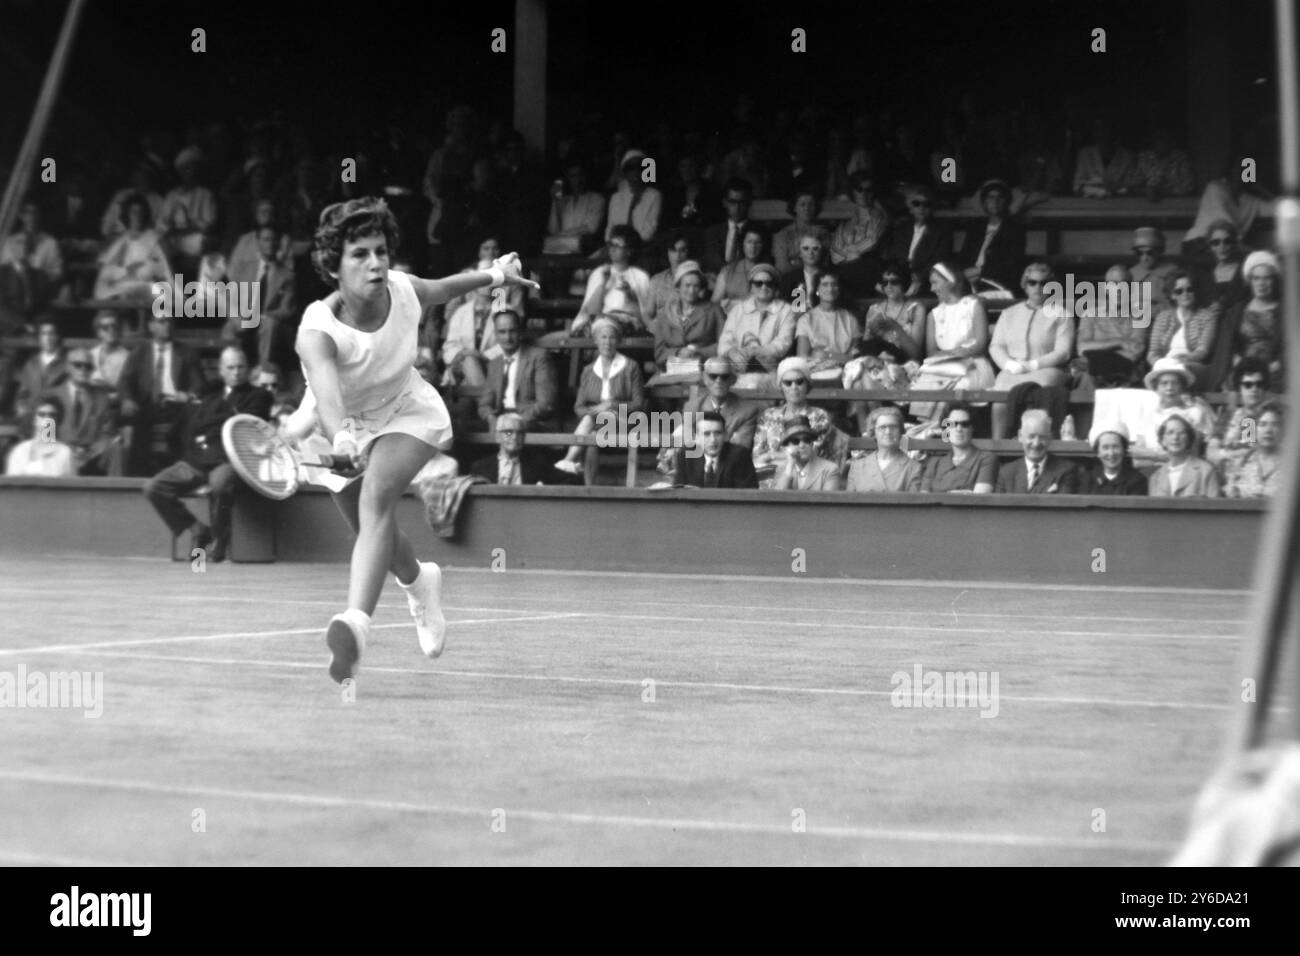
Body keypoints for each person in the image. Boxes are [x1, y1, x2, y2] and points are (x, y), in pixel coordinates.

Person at [290, 197, 537, 682]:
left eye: (381, 250)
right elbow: (326, 392)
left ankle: (355, 626)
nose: (376, 263)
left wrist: (497, 276)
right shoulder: (316, 332)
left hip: (409, 410)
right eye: (359, 254)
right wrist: (340, 439)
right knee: (372, 532)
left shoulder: (402, 289)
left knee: (377, 499)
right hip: (346, 424)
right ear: (333, 265)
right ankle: (420, 582)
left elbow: (446, 287)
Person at [142, 348, 271, 562]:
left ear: (248, 369)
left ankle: (220, 539)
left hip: (230, 459)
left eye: (240, 367)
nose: (236, 372)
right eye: (230, 368)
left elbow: (245, 427)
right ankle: (198, 529)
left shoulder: (259, 396)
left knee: (219, 484)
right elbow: (189, 426)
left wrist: (212, 420)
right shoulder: (208, 393)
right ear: (221, 370)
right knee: (153, 488)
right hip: (197, 459)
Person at [988, 262, 1075, 438]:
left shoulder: (1062, 314)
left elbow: (1063, 351)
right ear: (1025, 285)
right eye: (1032, 282)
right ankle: (998, 446)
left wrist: (1032, 365)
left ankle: (1038, 439)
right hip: (1012, 370)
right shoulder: (1008, 313)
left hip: (1047, 370)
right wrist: (1008, 364)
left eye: (1043, 283)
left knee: (1041, 395)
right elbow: (996, 345)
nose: (1038, 287)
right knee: (1000, 397)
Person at [117, 312, 207, 475]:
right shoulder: (140, 351)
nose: (167, 325)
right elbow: (125, 381)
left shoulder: (186, 352)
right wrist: (127, 399)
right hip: (147, 406)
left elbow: (199, 384)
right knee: (138, 427)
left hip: (177, 406)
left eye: (169, 321)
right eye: (161, 321)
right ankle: (138, 478)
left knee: (188, 422)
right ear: (151, 326)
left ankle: (183, 474)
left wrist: (188, 395)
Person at [554, 317, 645, 476]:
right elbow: (578, 407)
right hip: (595, 422)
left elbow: (638, 404)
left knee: (592, 424)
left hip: (624, 420)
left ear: (618, 341)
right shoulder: (588, 370)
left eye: (612, 337)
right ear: (596, 341)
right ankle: (587, 488)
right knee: (593, 435)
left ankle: (568, 459)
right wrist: (597, 413)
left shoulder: (631, 366)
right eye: (603, 337)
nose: (607, 342)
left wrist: (611, 405)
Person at [909, 262, 995, 425]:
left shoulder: (973, 305)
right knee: (925, 387)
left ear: (951, 281)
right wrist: (951, 355)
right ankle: (930, 436)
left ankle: (947, 437)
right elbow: (932, 352)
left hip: (972, 365)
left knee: (954, 393)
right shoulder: (933, 314)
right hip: (943, 366)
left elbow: (980, 343)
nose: (932, 288)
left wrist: (959, 354)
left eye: (935, 283)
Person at [751, 356, 849, 486]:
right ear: (781, 386)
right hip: (769, 481)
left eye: (799, 382)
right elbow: (758, 457)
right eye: (788, 383)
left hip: (806, 480)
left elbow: (807, 454)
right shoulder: (768, 415)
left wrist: (772, 457)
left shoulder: (819, 415)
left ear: (807, 384)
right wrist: (784, 459)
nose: (794, 387)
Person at [46, 347, 123, 476]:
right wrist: (68, 451)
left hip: (90, 456)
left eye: (88, 366)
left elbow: (107, 433)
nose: (83, 370)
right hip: (60, 455)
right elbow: (46, 436)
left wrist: (89, 452)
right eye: (78, 365)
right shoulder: (51, 396)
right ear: (68, 367)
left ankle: (116, 494)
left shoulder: (101, 396)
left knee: (115, 448)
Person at [716, 263, 796, 384]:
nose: (764, 287)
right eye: (758, 283)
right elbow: (725, 341)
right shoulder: (738, 309)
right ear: (751, 287)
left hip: (770, 371)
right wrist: (731, 352)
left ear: (775, 288)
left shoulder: (787, 310)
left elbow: (783, 343)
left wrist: (755, 351)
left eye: (769, 284)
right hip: (738, 370)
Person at [1076, 265, 1150, 387]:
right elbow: (1082, 348)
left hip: (1126, 371)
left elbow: (1135, 351)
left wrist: (1097, 352)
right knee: (1086, 377)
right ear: (1106, 288)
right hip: (1094, 372)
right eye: (1114, 284)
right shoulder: (1090, 314)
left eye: (1124, 284)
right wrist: (1120, 342)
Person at [570, 226, 652, 335]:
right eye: (611, 244)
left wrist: (630, 295)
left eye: (617, 245)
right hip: (601, 321)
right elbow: (591, 312)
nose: (612, 249)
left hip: (629, 324)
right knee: (600, 326)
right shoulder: (599, 273)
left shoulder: (641, 276)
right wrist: (604, 283)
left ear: (629, 251)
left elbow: (645, 315)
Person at [1147, 271, 1219, 390]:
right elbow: (1153, 352)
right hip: (1164, 365)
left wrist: (1181, 361)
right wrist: (1161, 363)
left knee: (1181, 370)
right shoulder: (1163, 317)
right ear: (1172, 295)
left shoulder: (1207, 316)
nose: (1185, 294)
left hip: (1194, 366)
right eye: (1179, 291)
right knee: (1163, 373)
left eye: (1189, 289)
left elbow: (1202, 351)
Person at [649, 260, 724, 373]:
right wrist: (678, 352)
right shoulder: (664, 314)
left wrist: (698, 352)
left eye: (696, 286)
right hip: (672, 372)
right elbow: (659, 353)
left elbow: (724, 345)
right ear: (678, 287)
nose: (691, 291)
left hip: (706, 371)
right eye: (687, 285)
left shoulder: (714, 311)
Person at [1221, 250, 1283, 385]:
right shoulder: (1236, 311)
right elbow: (1229, 346)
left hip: (1277, 369)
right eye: (1256, 278)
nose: (1262, 283)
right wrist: (1239, 364)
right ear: (1249, 281)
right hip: (1244, 368)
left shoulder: (1286, 311)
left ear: (1274, 280)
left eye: (1267, 278)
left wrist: (1274, 367)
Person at [94, 194, 173, 300]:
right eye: (133, 212)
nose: (137, 216)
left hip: (148, 286)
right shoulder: (121, 241)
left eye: (140, 212)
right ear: (127, 215)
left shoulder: (154, 238)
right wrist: (126, 270)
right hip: (124, 286)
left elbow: (165, 270)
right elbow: (107, 268)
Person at [827, 172, 889, 297]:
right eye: (859, 189)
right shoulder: (846, 221)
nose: (864, 194)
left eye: (869, 190)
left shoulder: (880, 218)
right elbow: (835, 254)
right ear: (853, 192)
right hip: (844, 272)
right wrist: (854, 253)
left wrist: (851, 252)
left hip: (870, 271)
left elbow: (873, 242)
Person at [470, 412, 571, 485]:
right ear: (497, 437)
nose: (515, 437)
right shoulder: (480, 467)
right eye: (509, 432)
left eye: (519, 433)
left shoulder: (536, 465)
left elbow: (570, 480)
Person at [960, 179, 1025, 289]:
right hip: (969, 279)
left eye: (1000, 197)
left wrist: (980, 271)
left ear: (1006, 201)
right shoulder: (976, 227)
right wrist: (963, 273)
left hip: (996, 281)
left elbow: (1011, 264)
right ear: (984, 202)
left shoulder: (1014, 229)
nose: (995, 202)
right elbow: (964, 256)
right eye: (991, 197)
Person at [795, 271, 861, 380]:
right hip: (815, 374)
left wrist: (824, 356)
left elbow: (855, 358)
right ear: (817, 290)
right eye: (825, 285)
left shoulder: (851, 319)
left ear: (839, 289)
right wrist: (839, 358)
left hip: (846, 373)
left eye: (834, 284)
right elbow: (802, 358)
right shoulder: (806, 320)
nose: (830, 289)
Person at [1209, 359, 1275, 467]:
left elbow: (1247, 454)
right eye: (1248, 384)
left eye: (1259, 384)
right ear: (1240, 388)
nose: (1254, 389)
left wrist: (1224, 454)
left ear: (1264, 387)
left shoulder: (1271, 418)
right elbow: (1211, 452)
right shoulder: (1228, 415)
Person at [889, 184, 953, 294]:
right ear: (910, 208)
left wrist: (919, 278)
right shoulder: (902, 229)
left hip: (926, 279)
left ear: (932, 208)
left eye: (926, 204)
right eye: (916, 204)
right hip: (902, 276)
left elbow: (939, 260)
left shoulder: (941, 231)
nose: (921, 208)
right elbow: (895, 256)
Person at [994, 409, 1078, 493]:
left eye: (1042, 437)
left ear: (1050, 438)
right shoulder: (1006, 473)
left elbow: (1062, 505)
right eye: (1031, 436)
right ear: (1020, 436)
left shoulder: (1065, 470)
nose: (1036, 443)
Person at [920, 403, 997, 493]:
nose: (959, 428)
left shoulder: (986, 458)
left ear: (973, 428)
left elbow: (979, 499)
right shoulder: (934, 463)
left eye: (965, 424)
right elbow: (924, 499)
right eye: (952, 424)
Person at [669, 410, 757, 489]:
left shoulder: (739, 456)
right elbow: (678, 491)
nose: (713, 440)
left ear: (725, 435)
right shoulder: (686, 454)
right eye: (706, 434)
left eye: (718, 433)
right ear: (696, 437)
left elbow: (747, 496)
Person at [1145, 356, 1216, 450]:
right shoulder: (1150, 412)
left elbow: (1193, 450)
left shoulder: (1196, 412)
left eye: (1175, 383)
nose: (1169, 388)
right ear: (1156, 388)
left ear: (1182, 386)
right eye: (1164, 383)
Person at [846, 406, 923, 492]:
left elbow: (912, 504)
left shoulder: (914, 468)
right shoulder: (857, 467)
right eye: (882, 427)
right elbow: (849, 502)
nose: (888, 432)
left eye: (894, 427)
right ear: (873, 432)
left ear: (901, 431)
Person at [1221, 401, 1283, 498]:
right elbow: (1229, 496)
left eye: (1275, 425)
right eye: (1262, 424)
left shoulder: (1293, 465)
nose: (1268, 430)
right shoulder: (1241, 461)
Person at [1148, 414, 1220, 497]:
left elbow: (1214, 507)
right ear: (1163, 440)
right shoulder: (1156, 477)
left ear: (1188, 439)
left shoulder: (1206, 471)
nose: (1175, 437)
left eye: (1181, 433)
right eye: (1170, 432)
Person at [544, 161, 606, 255]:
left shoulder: (596, 199)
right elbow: (553, 230)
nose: (578, 180)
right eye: (573, 176)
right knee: (547, 243)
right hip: (561, 248)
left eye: (580, 175)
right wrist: (554, 202)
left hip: (583, 247)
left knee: (577, 242)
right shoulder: (564, 201)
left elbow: (591, 228)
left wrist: (561, 235)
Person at [14, 319, 69, 423]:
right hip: (31, 419)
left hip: (56, 419)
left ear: (58, 336)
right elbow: (22, 393)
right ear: (39, 337)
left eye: (52, 333)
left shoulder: (67, 364)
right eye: (44, 334)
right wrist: (22, 408)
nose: (48, 338)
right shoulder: (31, 364)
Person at [604, 148, 662, 245]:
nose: (635, 172)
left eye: (639, 167)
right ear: (625, 173)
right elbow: (609, 229)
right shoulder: (616, 198)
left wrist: (624, 245)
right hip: (615, 247)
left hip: (641, 248)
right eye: (630, 168)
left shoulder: (654, 195)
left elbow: (648, 233)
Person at [5, 396, 73, 477]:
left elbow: (72, 487)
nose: (47, 418)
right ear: (34, 419)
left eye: (52, 415)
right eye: (42, 414)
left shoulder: (65, 453)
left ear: (58, 419)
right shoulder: (19, 451)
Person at [772, 415, 842, 491]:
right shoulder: (782, 470)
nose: (802, 445)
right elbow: (777, 498)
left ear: (812, 444)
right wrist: (789, 467)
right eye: (796, 441)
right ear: (787, 447)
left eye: (807, 440)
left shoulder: (830, 469)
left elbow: (828, 501)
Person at [701, 177, 754, 274]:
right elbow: (709, 263)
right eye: (732, 202)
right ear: (724, 202)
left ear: (749, 203)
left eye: (742, 202)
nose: (737, 207)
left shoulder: (760, 231)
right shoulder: (711, 233)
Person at [1078, 422, 1148, 495]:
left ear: (1124, 450)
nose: (1111, 453)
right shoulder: (1088, 479)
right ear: (1098, 452)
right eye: (1105, 447)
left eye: (1115, 447)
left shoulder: (1137, 480)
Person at [711, 224, 769, 312]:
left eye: (757, 242)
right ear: (742, 243)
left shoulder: (770, 272)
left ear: (763, 245)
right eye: (749, 242)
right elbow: (714, 304)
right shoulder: (728, 270)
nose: (753, 247)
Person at [772, 190, 828, 273]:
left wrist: (795, 261)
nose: (807, 208)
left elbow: (826, 264)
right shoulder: (783, 235)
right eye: (802, 204)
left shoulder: (823, 234)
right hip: (790, 282)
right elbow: (782, 267)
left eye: (811, 205)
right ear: (795, 207)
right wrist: (810, 265)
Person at [645, 231, 693, 323]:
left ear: (688, 252)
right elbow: (649, 313)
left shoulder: (696, 280)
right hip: (661, 330)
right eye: (673, 250)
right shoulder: (657, 280)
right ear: (667, 252)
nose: (677, 255)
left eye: (682, 250)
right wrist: (653, 328)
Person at [1129, 227, 1177, 317]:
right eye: (1139, 253)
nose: (1144, 258)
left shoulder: (1173, 273)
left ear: (1159, 252)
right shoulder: (1130, 274)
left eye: (1150, 253)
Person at [779, 230, 828, 310]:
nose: (810, 252)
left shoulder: (833, 277)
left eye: (815, 248)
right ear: (799, 252)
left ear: (822, 252)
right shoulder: (788, 279)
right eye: (806, 248)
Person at [89, 312, 130, 392]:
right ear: (98, 332)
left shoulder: (128, 358)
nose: (111, 330)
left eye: (114, 326)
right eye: (105, 327)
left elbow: (126, 389)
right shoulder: (91, 354)